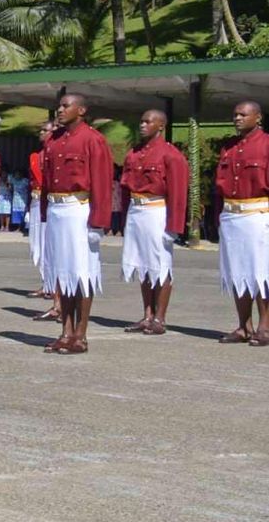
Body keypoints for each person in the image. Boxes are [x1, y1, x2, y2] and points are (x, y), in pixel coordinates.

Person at [40, 93, 114, 355]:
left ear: (81, 110)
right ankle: (65, 331)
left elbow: (103, 183)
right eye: (58, 105)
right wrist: (44, 215)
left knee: (81, 273)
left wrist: (98, 223)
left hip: (78, 209)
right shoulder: (53, 140)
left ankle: (80, 335)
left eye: (65, 106)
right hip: (57, 210)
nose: (59, 110)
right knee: (62, 273)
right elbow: (47, 181)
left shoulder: (92, 139)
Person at [120, 109, 187, 336]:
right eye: (141, 121)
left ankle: (160, 317)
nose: (143, 125)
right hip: (136, 212)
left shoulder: (170, 155)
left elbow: (178, 193)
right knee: (142, 264)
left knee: (160, 265)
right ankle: (147, 314)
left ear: (161, 126)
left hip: (157, 211)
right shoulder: (134, 154)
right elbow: (125, 189)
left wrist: (174, 226)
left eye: (149, 121)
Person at [215, 101, 269, 344]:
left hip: (257, 214)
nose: (237, 118)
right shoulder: (229, 147)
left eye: (243, 115)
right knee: (237, 272)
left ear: (257, 118)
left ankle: (264, 327)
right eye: (235, 114)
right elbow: (219, 187)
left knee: (261, 273)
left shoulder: (267, 144)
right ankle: (243, 326)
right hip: (231, 216)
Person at [27, 121, 56, 312]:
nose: (42, 132)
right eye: (41, 129)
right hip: (36, 200)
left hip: (52, 201)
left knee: (50, 245)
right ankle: (46, 282)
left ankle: (54, 286)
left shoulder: (54, 155)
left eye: (46, 130)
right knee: (37, 243)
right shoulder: (35, 156)